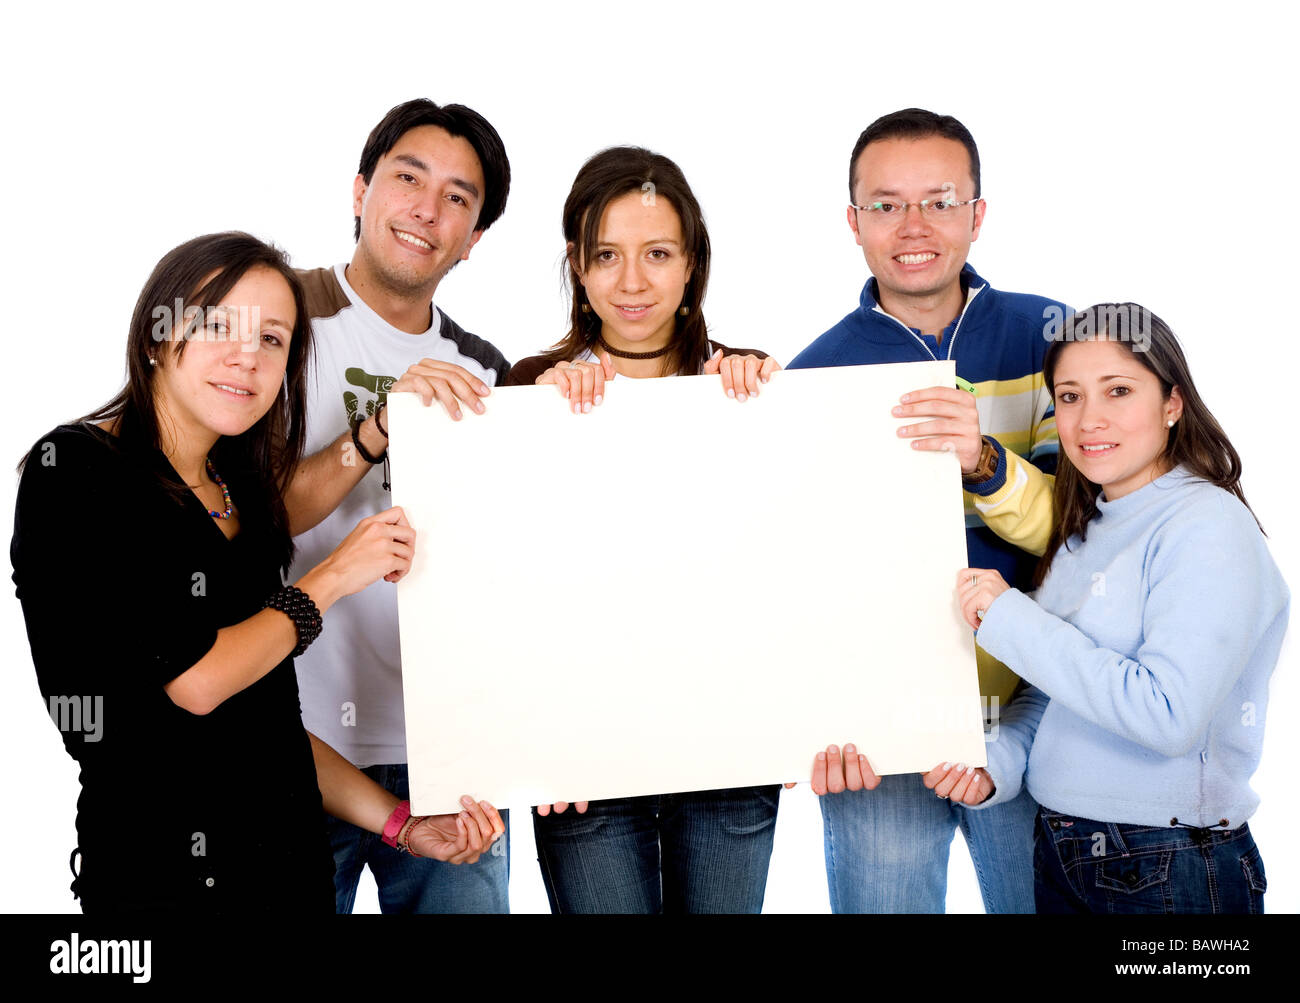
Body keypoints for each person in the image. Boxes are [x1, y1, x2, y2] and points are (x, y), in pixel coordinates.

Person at [11, 232, 503, 913]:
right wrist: (332, 576)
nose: (247, 354)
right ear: (158, 334)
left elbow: (266, 724)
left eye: (273, 339)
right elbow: (200, 681)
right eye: (219, 324)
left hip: (290, 875)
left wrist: (403, 824)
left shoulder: (236, 486)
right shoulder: (77, 472)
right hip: (159, 879)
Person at [793, 108, 1066, 913]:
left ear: (977, 214)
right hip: (882, 733)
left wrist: (985, 462)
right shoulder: (810, 378)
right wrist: (811, 715)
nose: (914, 226)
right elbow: (798, 581)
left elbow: (1082, 536)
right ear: (854, 222)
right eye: (886, 204)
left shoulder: (1053, 337)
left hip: (1035, 708)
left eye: (940, 201)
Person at [932, 303, 1286, 913]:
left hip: (1169, 863)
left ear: (1172, 403)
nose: (1089, 419)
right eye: (1068, 397)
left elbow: (1168, 715)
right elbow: (1053, 693)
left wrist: (1013, 619)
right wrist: (994, 764)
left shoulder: (1206, 525)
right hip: (1064, 850)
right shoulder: (1087, 531)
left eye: (1117, 390)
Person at [505, 146, 781, 913]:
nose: (632, 282)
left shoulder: (749, 387)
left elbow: (787, 571)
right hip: (584, 761)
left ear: (691, 264)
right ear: (578, 266)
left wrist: (799, 709)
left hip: (728, 753)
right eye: (607, 256)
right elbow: (507, 585)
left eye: (657, 254)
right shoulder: (527, 390)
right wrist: (537, 414)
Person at [284, 99, 514, 914]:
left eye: (458, 197)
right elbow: (252, 518)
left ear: (475, 236)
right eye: (408, 178)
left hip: (450, 753)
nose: (427, 208)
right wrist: (380, 425)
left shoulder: (487, 367)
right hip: (297, 740)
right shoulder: (284, 319)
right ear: (359, 190)